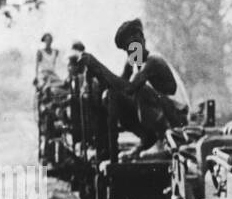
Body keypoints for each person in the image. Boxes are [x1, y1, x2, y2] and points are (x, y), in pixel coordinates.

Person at [77, 18, 190, 157]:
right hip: (163, 114)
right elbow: (117, 86)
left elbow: (129, 88)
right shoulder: (133, 62)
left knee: (140, 90)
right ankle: (147, 140)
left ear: (141, 39)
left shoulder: (153, 61)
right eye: (127, 49)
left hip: (177, 121)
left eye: (132, 47)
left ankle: (165, 141)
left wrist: (97, 64)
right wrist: (96, 73)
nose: (130, 53)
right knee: (110, 97)